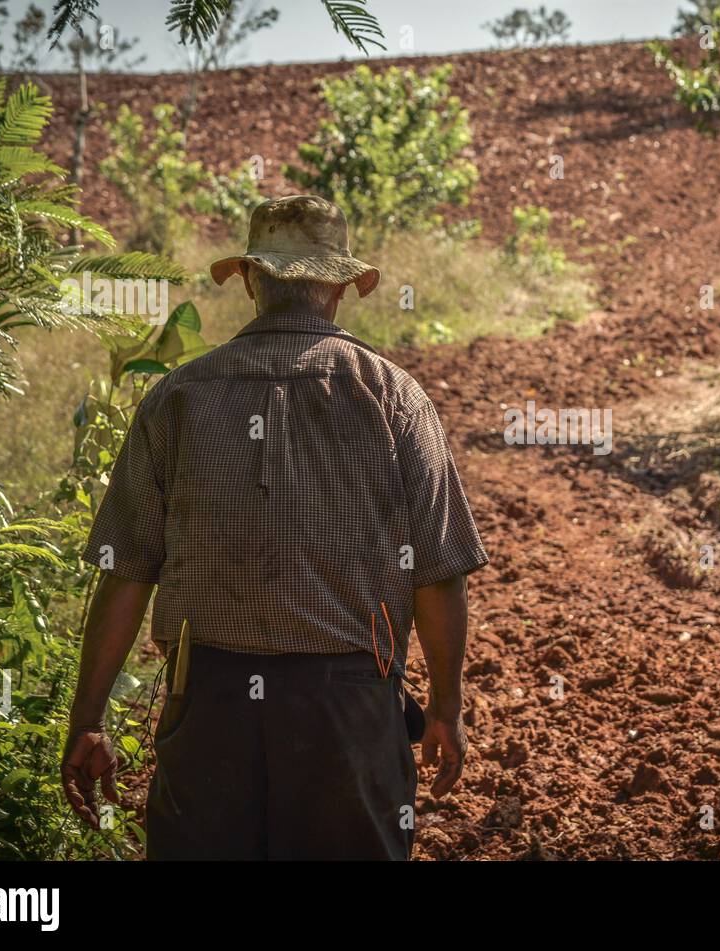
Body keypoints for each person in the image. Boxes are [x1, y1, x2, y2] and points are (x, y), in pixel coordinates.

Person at [60, 195, 488, 859]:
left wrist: (88, 718)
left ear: (252, 279)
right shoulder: (395, 398)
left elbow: (125, 571)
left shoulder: (176, 398)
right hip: (347, 713)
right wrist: (445, 706)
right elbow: (438, 576)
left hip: (207, 707)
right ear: (342, 287)